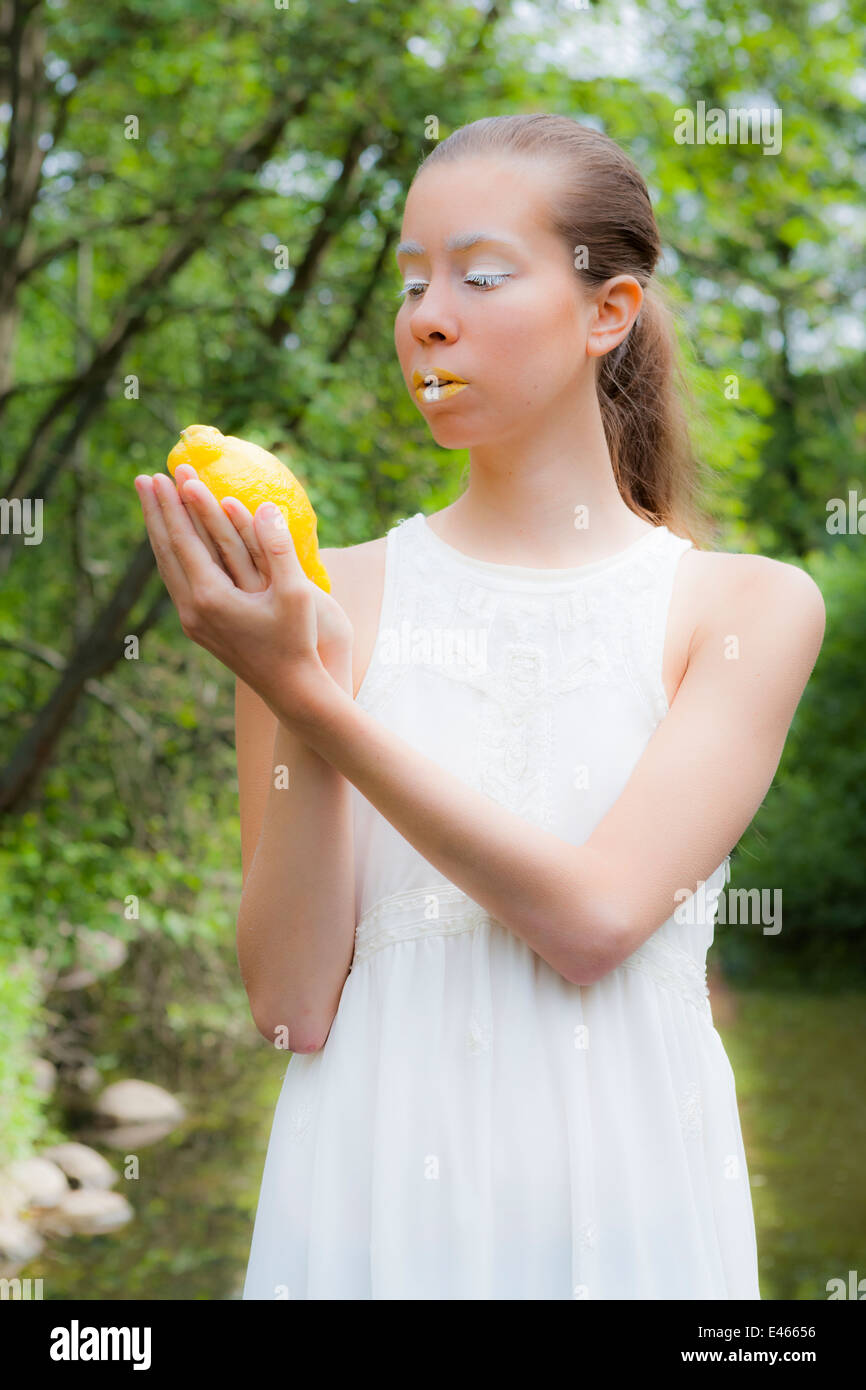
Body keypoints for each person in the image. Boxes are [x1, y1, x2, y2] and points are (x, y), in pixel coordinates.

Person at [135, 114, 825, 1299]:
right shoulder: (318, 595)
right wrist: (293, 681)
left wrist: (307, 688)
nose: (426, 318)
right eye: (410, 282)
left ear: (606, 311)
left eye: (481, 274)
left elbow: (595, 919)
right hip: (366, 1202)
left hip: (627, 1200)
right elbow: (291, 1002)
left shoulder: (745, 607)